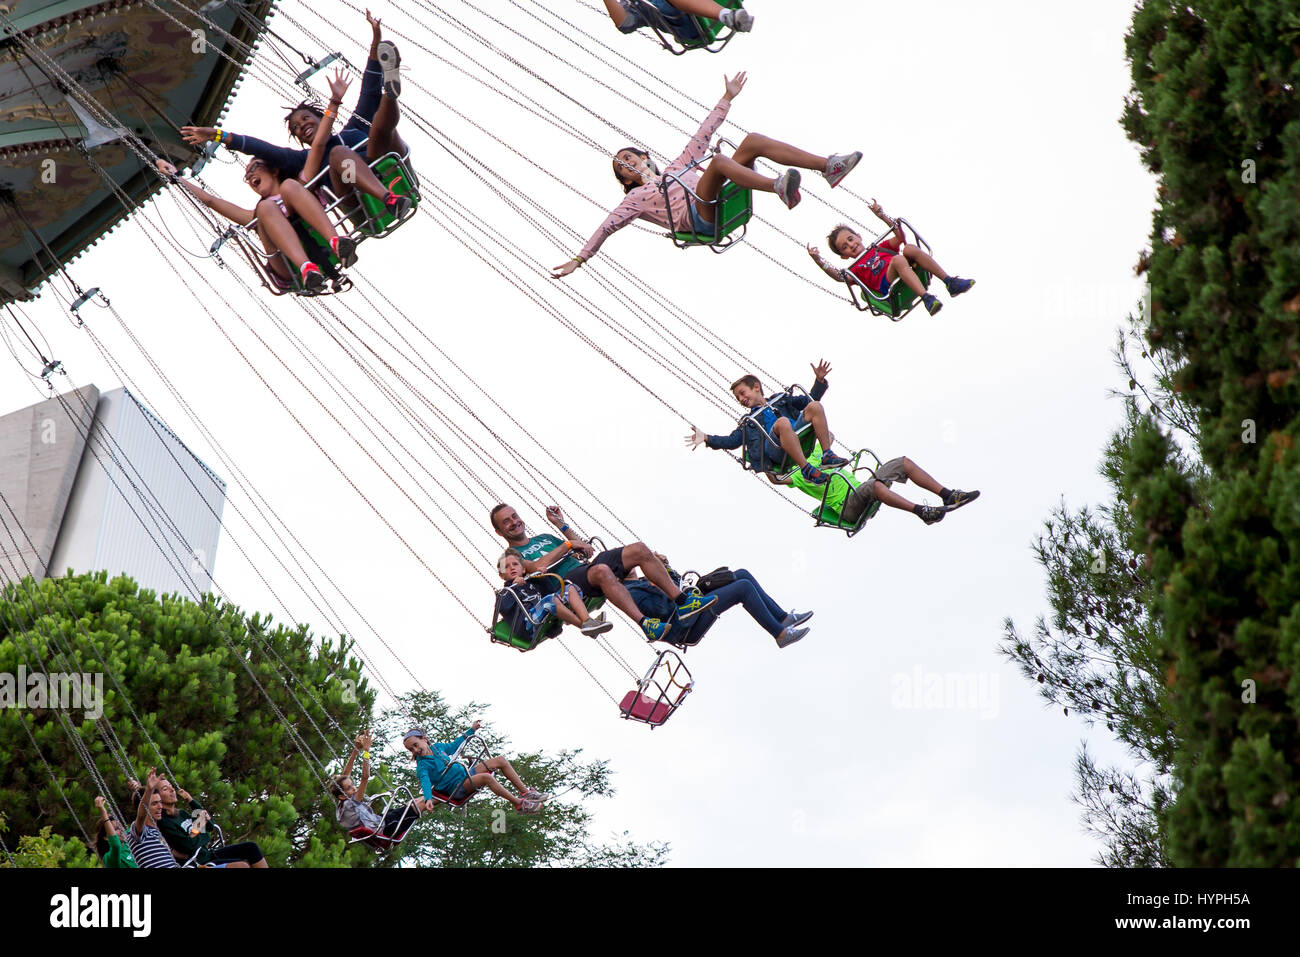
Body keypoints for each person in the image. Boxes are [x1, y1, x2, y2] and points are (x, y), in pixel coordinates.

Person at [551, 73, 861, 276]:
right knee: (719, 162)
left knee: (751, 141)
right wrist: (579, 259)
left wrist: (726, 98)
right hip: (697, 217)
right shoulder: (636, 197)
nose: (628, 164)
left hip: (714, 193)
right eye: (622, 168)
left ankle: (828, 167)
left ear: (645, 156)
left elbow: (703, 133)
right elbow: (606, 227)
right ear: (628, 180)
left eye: (629, 158)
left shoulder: (677, 166)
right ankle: (777, 186)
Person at [180, 10, 411, 221]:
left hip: (387, 168)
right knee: (340, 154)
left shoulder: (353, 130)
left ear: (321, 117)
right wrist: (217, 135)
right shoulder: (303, 159)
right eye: (297, 128)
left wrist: (375, 42)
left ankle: (391, 91)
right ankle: (388, 199)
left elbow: (369, 90)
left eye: (305, 119)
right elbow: (259, 148)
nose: (302, 126)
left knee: (380, 122)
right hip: (355, 191)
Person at [489, 503, 716, 641]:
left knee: (638, 549)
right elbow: (538, 567)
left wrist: (561, 526)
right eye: (506, 522)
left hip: (584, 570)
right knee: (601, 570)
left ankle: (682, 600)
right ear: (500, 531)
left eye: (515, 516)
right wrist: (566, 547)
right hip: (565, 584)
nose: (514, 522)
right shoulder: (512, 555)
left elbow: (584, 549)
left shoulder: (544, 538)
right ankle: (646, 624)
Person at [156, 157, 353, 292]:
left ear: (273, 170)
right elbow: (211, 201)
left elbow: (318, 145)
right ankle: (306, 268)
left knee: (291, 186)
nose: (250, 177)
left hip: (313, 233)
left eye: (253, 169)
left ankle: (336, 242)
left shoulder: (295, 186)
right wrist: (176, 178)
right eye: (247, 177)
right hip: (287, 265)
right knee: (265, 209)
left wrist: (333, 106)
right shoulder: (258, 213)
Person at [687, 360, 847, 487]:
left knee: (815, 406)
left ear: (756, 387)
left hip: (797, 434)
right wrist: (706, 438)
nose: (741, 399)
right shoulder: (749, 422)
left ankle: (827, 454)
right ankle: (806, 469)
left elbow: (809, 400)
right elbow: (731, 441)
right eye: (738, 398)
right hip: (777, 449)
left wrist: (819, 381)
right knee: (782, 422)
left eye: (742, 393)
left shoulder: (781, 400)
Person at [807, 199, 975, 316]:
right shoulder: (855, 269)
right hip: (888, 286)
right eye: (845, 247)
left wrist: (883, 216)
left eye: (850, 239)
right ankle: (927, 298)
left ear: (858, 236)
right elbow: (839, 277)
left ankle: (949, 282)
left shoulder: (878, 248)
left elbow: (899, 237)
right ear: (844, 256)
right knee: (898, 260)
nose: (850, 245)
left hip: (904, 270)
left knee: (908, 248)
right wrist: (819, 261)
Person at [791, 446, 981, 526]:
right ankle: (922, 512)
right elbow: (777, 479)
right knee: (873, 486)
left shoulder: (816, 450)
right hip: (847, 507)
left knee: (903, 462)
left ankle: (948, 495)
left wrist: (819, 385)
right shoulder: (796, 473)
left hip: (860, 489)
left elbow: (823, 430)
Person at [402, 724, 549, 814]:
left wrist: (471, 730)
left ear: (424, 739)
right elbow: (425, 782)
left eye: (416, 745)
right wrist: (428, 798)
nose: (415, 750)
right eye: (411, 749)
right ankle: (519, 804)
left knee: (500, 760)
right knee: (487, 778)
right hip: (456, 787)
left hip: (465, 774)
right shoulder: (423, 765)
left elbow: (455, 745)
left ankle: (526, 792)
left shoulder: (438, 747)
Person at [153, 775, 269, 868]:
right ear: (158, 797)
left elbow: (209, 826)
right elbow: (189, 846)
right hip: (198, 861)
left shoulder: (182, 813)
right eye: (165, 789)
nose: (172, 790)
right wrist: (199, 828)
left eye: (171, 786)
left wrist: (191, 801)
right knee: (241, 866)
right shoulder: (165, 822)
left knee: (250, 848)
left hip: (207, 854)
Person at [497, 548, 614, 638]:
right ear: (502, 575)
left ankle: (587, 621)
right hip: (527, 624)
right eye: (506, 567)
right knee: (550, 601)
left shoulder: (533, 582)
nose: (512, 568)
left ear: (523, 569)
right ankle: (586, 625)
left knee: (569, 587)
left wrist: (541, 577)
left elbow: (550, 592)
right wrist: (515, 586)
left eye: (515, 564)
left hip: (543, 616)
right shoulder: (505, 592)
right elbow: (504, 607)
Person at [333, 731, 421, 842]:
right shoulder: (351, 803)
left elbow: (345, 775)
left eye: (353, 785)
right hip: (386, 828)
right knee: (420, 804)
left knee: (413, 802)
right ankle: (441, 796)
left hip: (380, 820)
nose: (354, 788)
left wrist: (356, 749)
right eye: (349, 788)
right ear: (341, 796)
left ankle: (435, 795)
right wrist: (366, 750)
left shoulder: (342, 806)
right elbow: (365, 777)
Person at [601, 0, 754, 42]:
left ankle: (730, 15)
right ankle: (728, 16)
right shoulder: (637, 4)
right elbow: (625, 23)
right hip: (689, 25)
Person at [125, 770, 179, 868]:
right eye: (154, 804)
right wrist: (149, 789)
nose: (160, 807)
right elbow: (141, 815)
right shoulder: (140, 832)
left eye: (160, 802)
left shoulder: (156, 831)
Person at [91, 795, 137, 868]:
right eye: (116, 829)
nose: (121, 830)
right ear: (106, 837)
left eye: (120, 826)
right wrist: (104, 814)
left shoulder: (128, 840)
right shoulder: (108, 858)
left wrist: (138, 791)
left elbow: (142, 819)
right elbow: (116, 845)